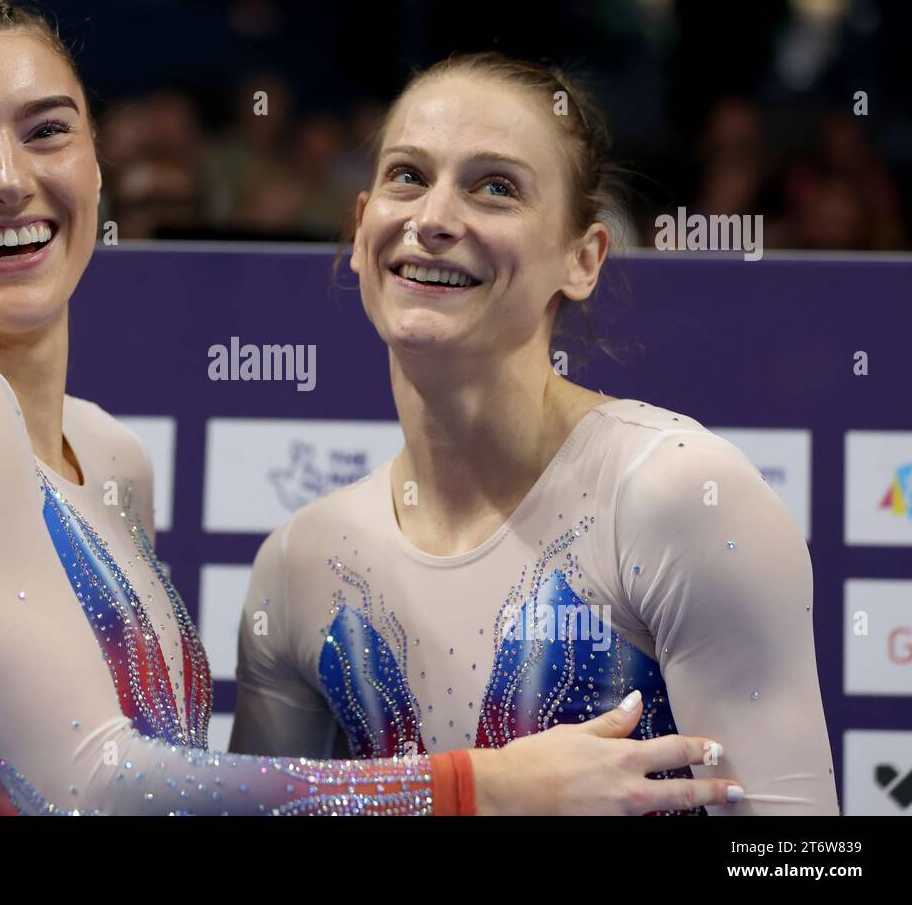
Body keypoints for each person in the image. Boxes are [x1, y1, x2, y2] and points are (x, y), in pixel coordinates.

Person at [0, 0, 742, 816]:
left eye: (47, 130)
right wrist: (482, 788)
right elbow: (94, 786)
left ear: (95, 161)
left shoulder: (111, 460)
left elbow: (165, 779)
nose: (8, 180)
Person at [229, 53, 839, 815]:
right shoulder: (298, 565)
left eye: (496, 188)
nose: (435, 219)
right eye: (408, 176)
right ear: (359, 232)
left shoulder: (676, 498)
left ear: (582, 260)